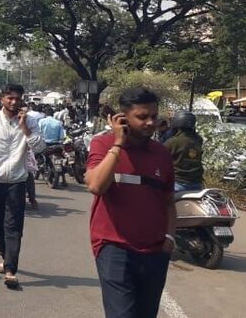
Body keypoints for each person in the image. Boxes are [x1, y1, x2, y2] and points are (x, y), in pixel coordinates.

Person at [86, 87, 176, 318]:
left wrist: (169, 238)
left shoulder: (162, 154)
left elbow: (168, 202)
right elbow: (96, 185)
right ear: (123, 117)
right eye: (142, 117)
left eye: (154, 116)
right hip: (115, 249)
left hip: (155, 251)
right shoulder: (103, 144)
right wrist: (118, 144)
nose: (150, 123)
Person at [0, 84, 45, 288]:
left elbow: (40, 147)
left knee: (13, 226)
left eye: (17, 99)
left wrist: (25, 128)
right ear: (2, 99)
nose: (14, 102)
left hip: (17, 180)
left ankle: (10, 270)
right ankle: (5, 255)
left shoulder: (30, 121)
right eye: (10, 98)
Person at [164, 111, 204, 192]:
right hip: (197, 184)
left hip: (178, 184)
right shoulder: (198, 140)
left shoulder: (172, 142)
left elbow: (159, 158)